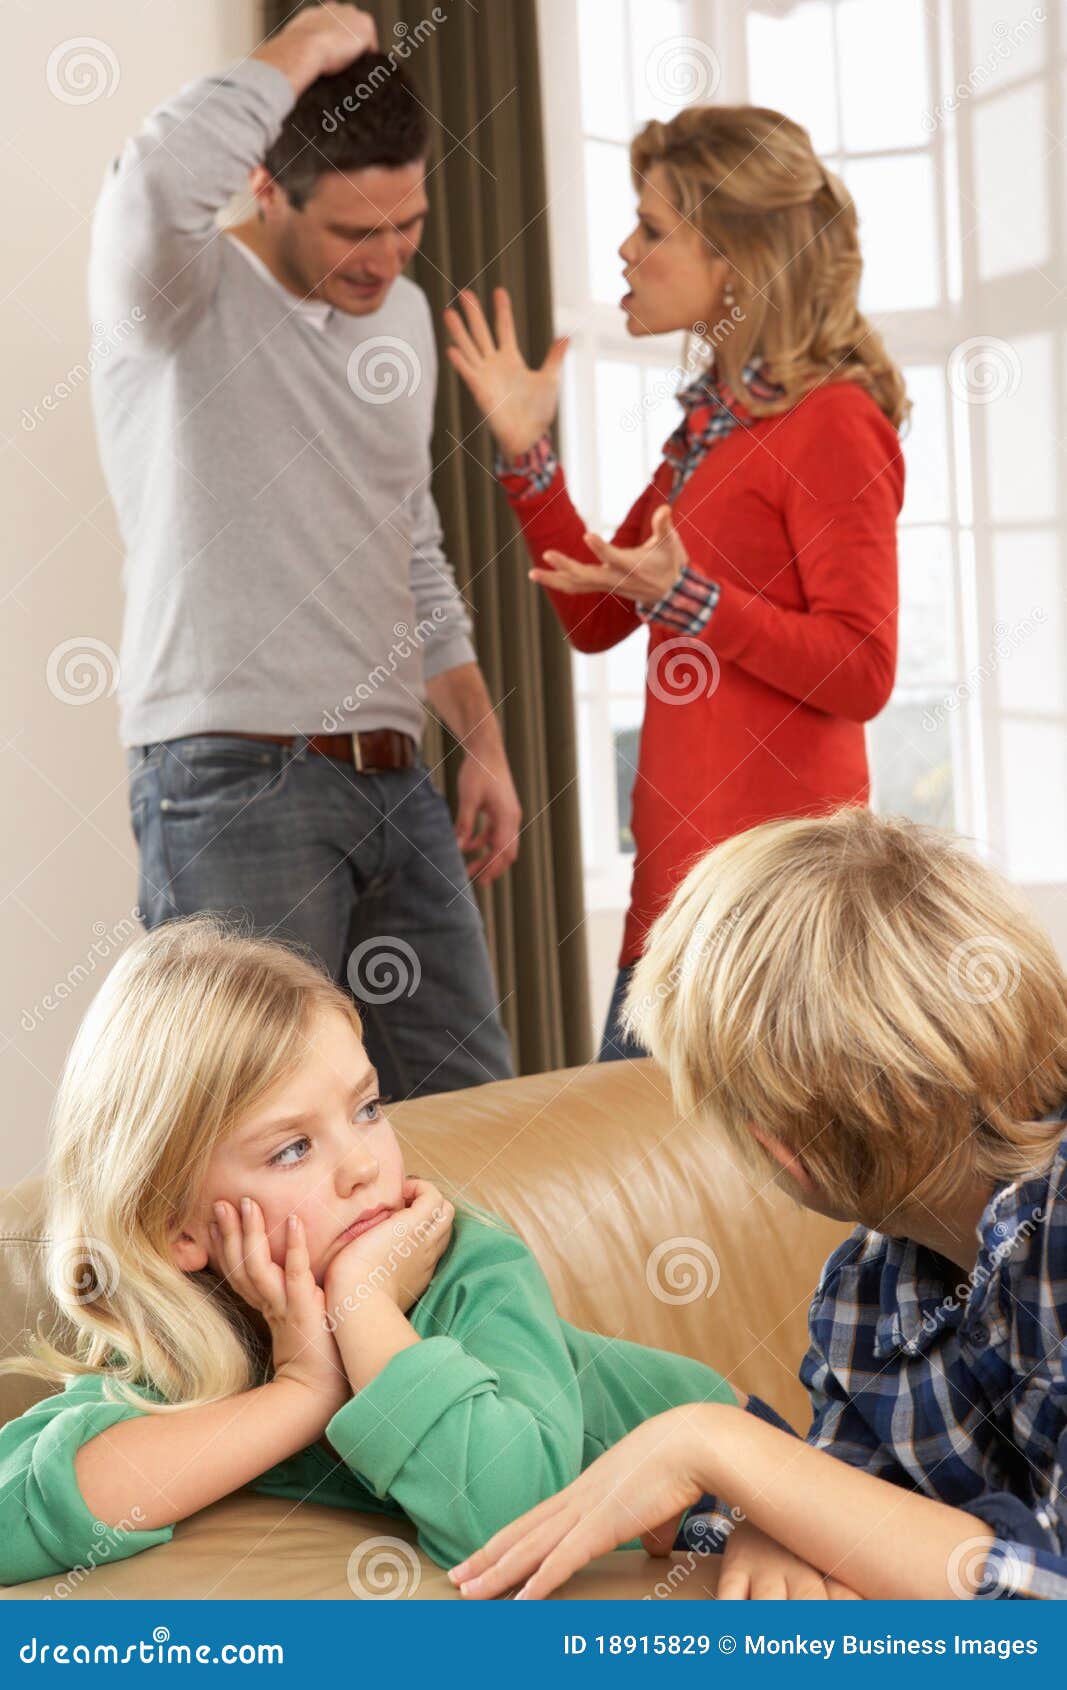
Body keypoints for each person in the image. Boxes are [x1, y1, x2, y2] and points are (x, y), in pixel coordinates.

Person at [0, 914, 740, 1587]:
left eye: (367, 1108)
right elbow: (14, 1520)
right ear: (176, 1230)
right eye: (292, 1149)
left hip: (741, 1482)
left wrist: (363, 1302)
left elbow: (511, 1514)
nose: (362, 1165)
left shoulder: (471, 1268)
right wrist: (299, 1392)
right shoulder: (187, 1347)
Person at [446, 805, 1067, 1601]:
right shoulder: (865, 1302)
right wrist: (762, 1514)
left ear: (781, 1149)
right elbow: (855, 1520)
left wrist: (714, 1444)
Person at [89, 2, 516, 1101]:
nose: (385, 259)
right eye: (351, 233)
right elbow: (150, 179)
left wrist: (478, 737)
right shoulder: (176, 296)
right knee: (252, 1120)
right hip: (229, 780)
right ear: (268, 187)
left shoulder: (405, 318)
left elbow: (406, 538)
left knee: (473, 1112)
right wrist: (296, 56)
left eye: (406, 223)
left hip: (393, 776)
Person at [444, 106, 908, 1062]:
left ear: (733, 258)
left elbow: (860, 669)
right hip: (670, 903)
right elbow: (593, 612)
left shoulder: (832, 421)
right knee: (653, 1205)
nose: (625, 250)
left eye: (652, 231)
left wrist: (692, 601)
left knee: (748, 1212)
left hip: (772, 924)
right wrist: (529, 454)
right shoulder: (716, 427)